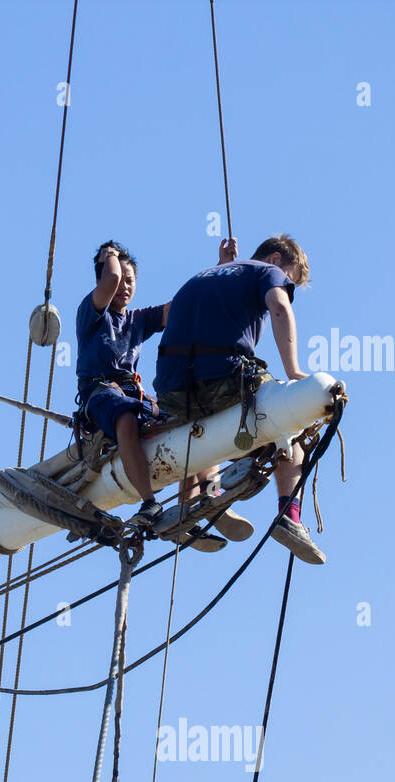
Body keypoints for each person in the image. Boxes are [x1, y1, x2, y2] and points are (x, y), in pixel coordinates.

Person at [151, 234, 325, 563]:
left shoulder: (206, 274)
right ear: (275, 259)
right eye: (291, 278)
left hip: (172, 389)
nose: (288, 285)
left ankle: (202, 500)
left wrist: (225, 263)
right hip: (219, 377)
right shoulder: (268, 272)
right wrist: (294, 371)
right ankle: (291, 516)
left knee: (201, 433)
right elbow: (279, 307)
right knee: (290, 428)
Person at [74, 238, 237, 537]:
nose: (124, 286)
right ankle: (149, 503)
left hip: (133, 396)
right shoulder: (92, 313)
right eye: (120, 280)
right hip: (100, 395)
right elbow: (109, 278)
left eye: (130, 281)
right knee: (125, 417)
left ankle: (203, 500)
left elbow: (185, 306)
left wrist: (222, 268)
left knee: (191, 419)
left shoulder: (138, 320)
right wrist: (109, 253)